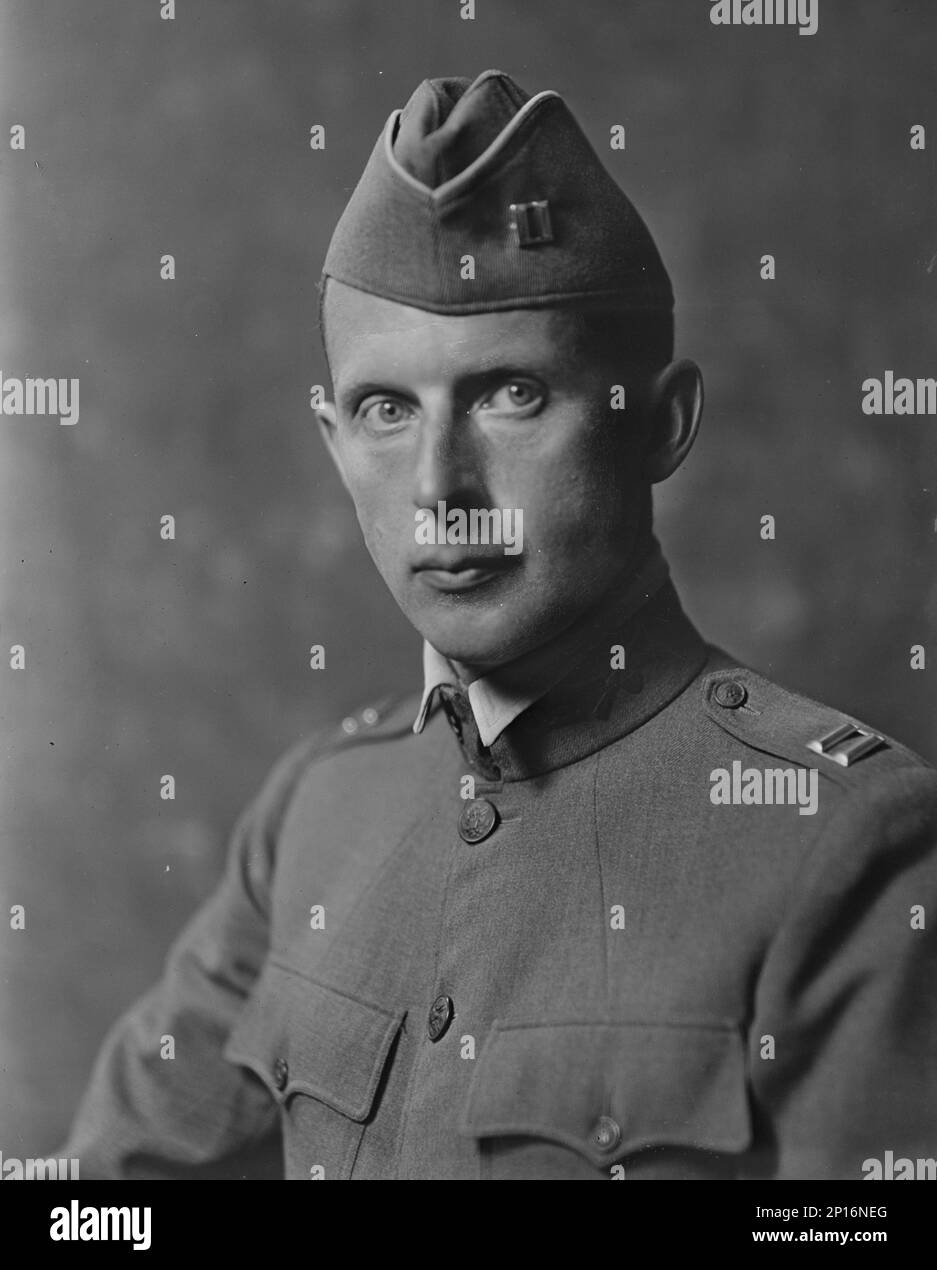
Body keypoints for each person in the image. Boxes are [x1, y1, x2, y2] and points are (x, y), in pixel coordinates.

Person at [57, 70, 937, 1180]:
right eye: (386, 410)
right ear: (332, 441)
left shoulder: (844, 844)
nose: (440, 487)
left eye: (510, 393)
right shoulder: (317, 810)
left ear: (658, 424)